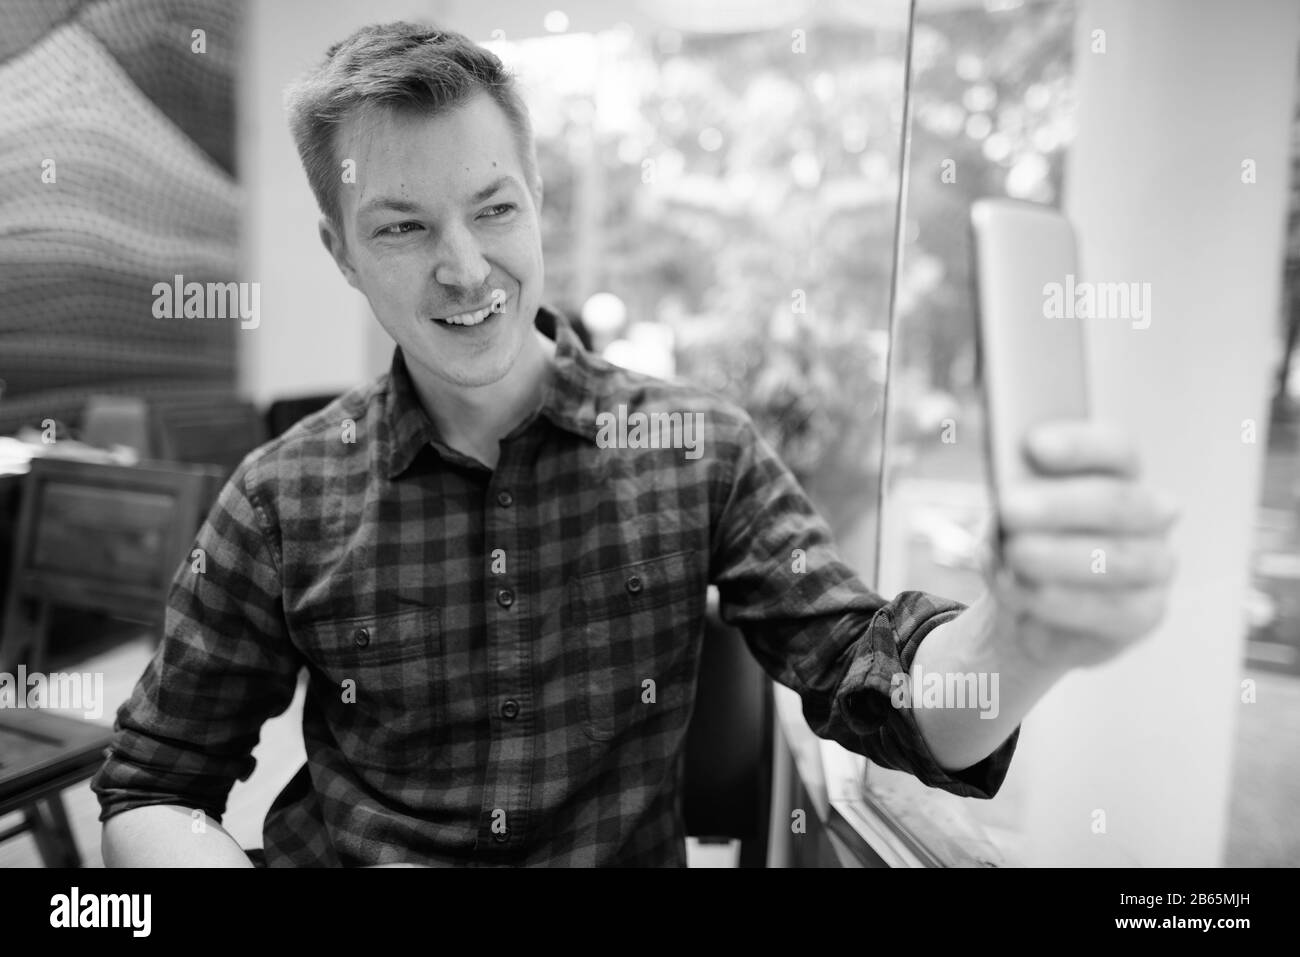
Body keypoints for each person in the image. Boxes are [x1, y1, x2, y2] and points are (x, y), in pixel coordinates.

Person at [92, 22, 1179, 867]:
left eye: (492, 209)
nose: (466, 268)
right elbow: (152, 782)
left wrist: (1017, 640)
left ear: (537, 204)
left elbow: (871, 680)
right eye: (403, 226)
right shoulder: (279, 497)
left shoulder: (695, 447)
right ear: (341, 253)